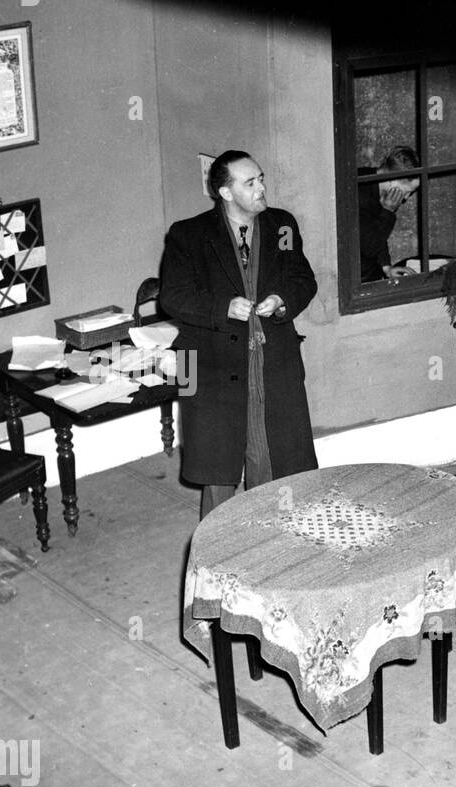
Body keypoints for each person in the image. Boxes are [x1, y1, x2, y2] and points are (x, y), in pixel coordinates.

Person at [160, 149, 319, 519]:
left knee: (273, 454)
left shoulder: (282, 226)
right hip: (210, 363)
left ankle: (271, 536)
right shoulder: (189, 235)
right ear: (226, 193)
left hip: (272, 357)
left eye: (261, 178)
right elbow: (173, 296)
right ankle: (218, 548)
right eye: (251, 183)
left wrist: (282, 299)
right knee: (219, 467)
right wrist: (222, 308)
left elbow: (301, 278)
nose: (262, 187)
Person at [359, 145, 420, 281]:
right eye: (407, 191)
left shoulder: (375, 181)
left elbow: (377, 229)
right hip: (358, 280)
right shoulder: (360, 194)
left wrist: (386, 267)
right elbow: (370, 246)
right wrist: (388, 211)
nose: (405, 198)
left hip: (371, 270)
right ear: (392, 180)